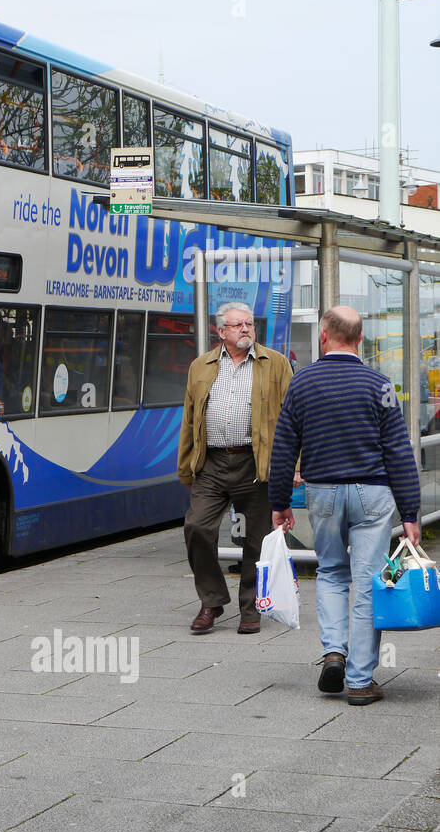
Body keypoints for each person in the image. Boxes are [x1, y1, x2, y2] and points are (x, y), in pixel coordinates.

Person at [270, 306, 421, 706]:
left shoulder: (302, 383)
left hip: (322, 492)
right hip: (372, 494)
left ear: (324, 337)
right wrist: (410, 513)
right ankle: (359, 681)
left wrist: (280, 501)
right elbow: (399, 452)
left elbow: (284, 446)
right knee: (369, 580)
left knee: (332, 573)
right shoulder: (380, 384)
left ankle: (334, 652)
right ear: (360, 338)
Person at [178, 302, 293, 635]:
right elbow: (189, 419)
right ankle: (212, 600)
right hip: (212, 462)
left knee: (255, 541)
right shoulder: (201, 366)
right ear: (221, 332)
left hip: (256, 463)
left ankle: (251, 608)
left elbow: (291, 417)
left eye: (249, 324)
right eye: (238, 325)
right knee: (197, 527)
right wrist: (186, 468)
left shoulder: (276, 363)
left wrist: (294, 465)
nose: (246, 329)